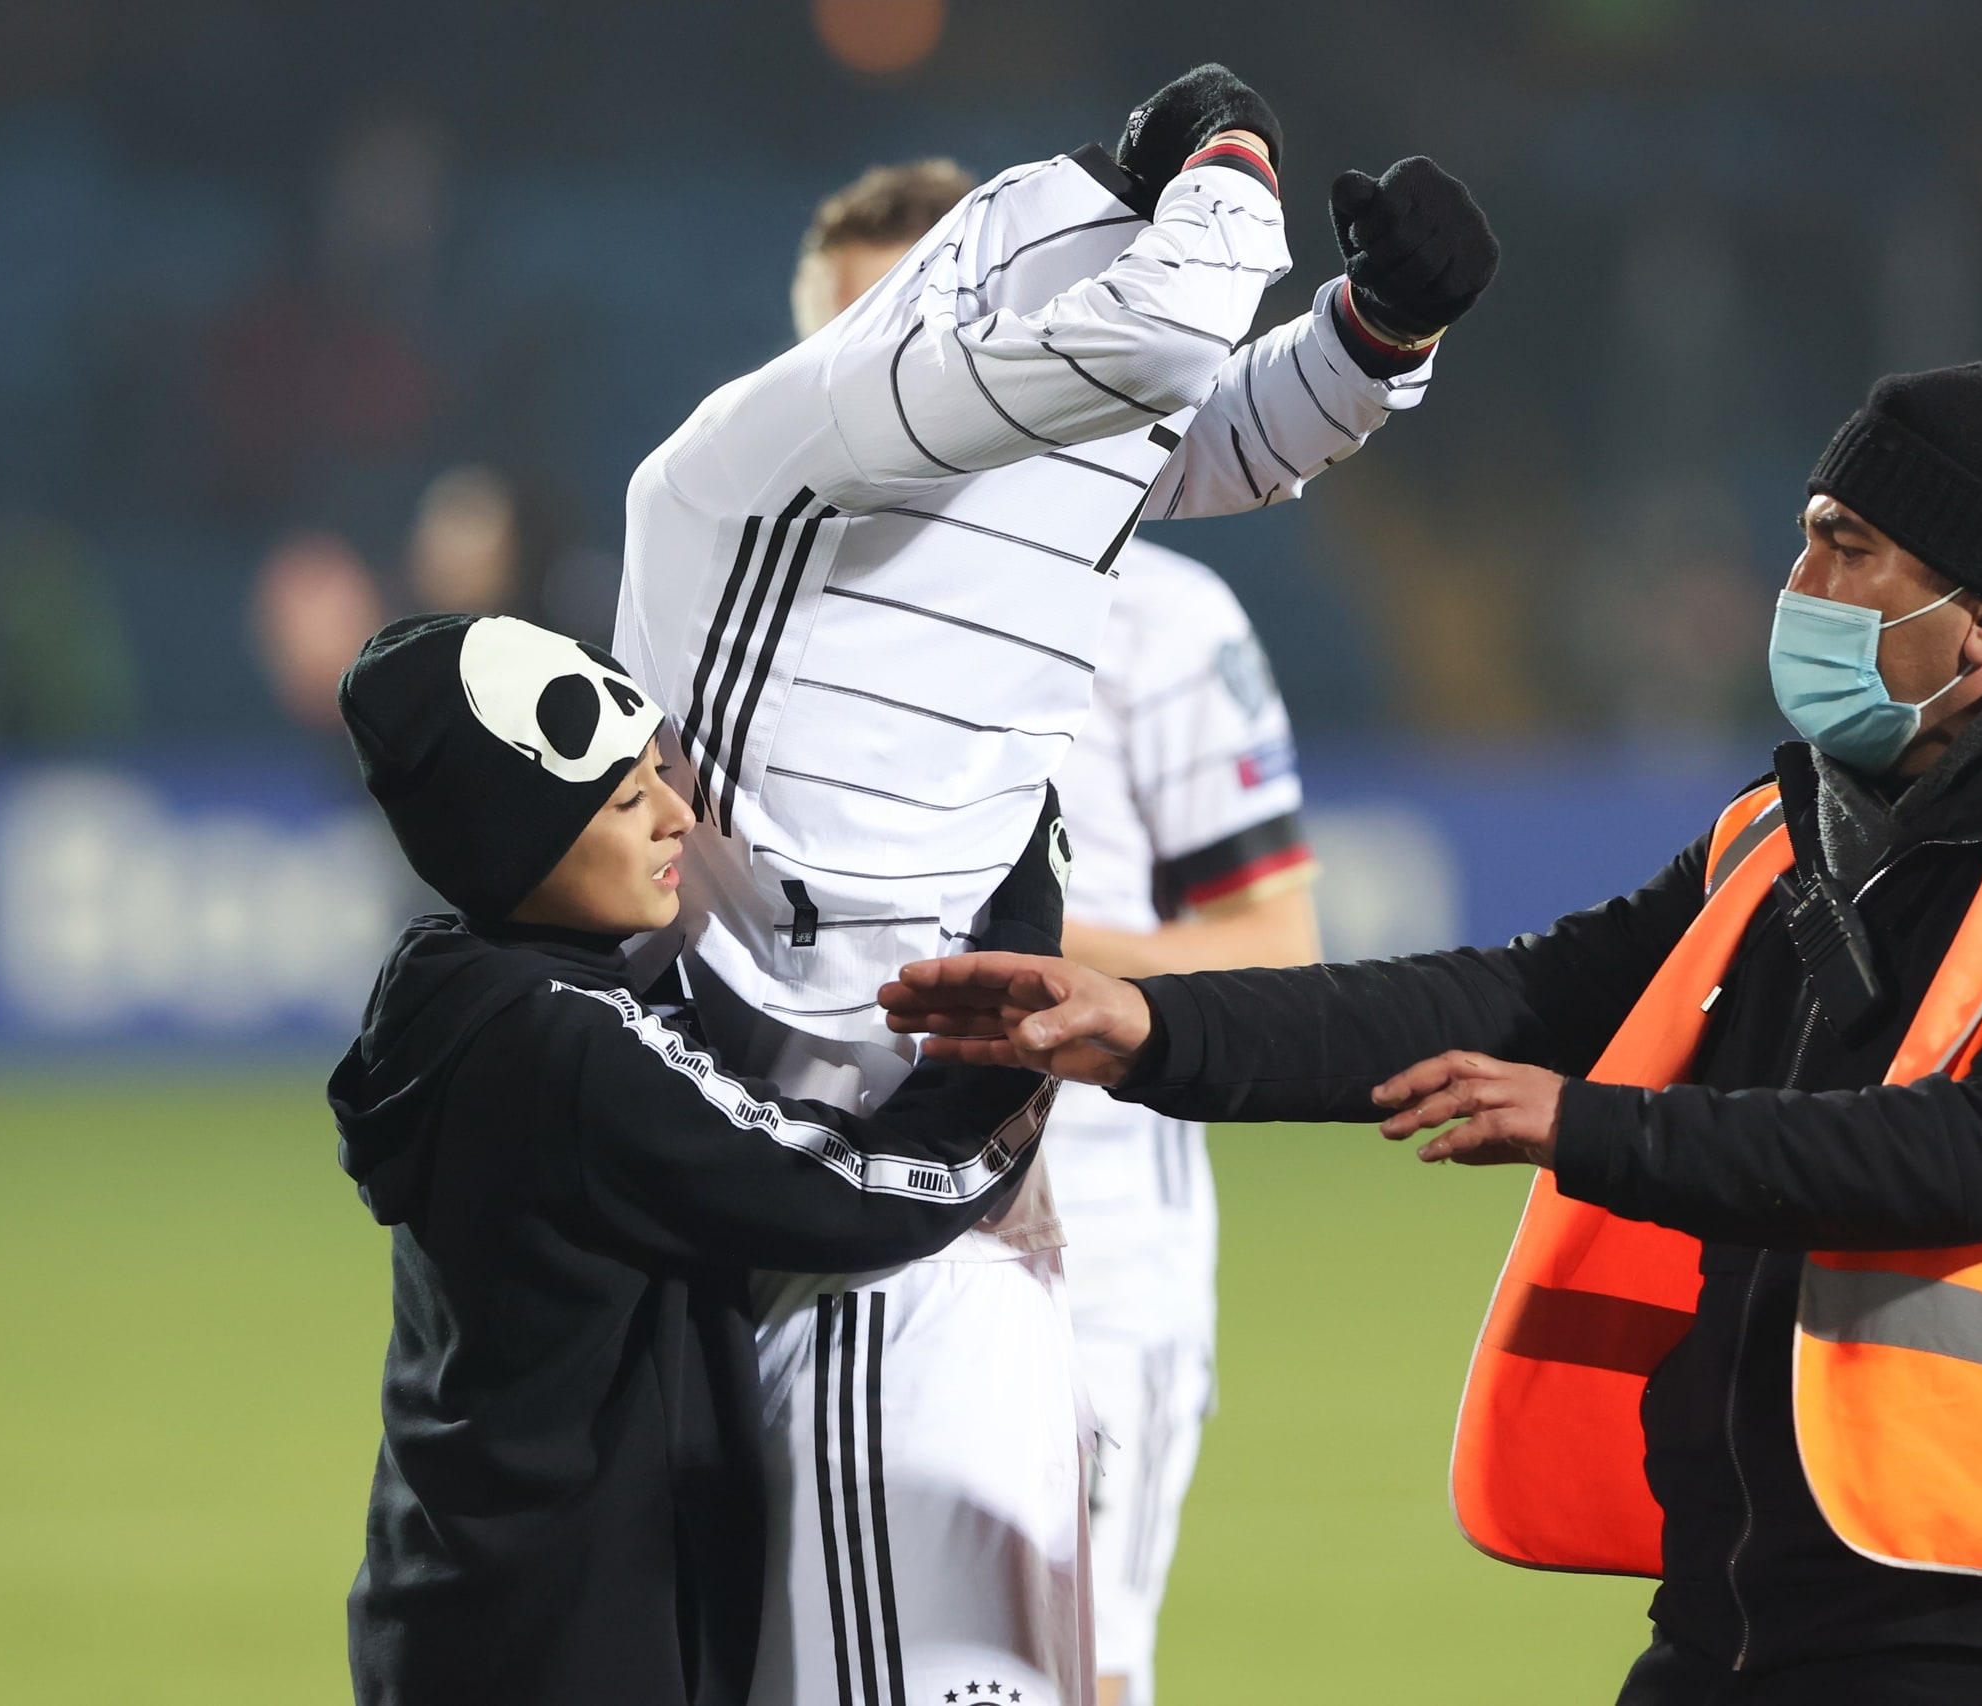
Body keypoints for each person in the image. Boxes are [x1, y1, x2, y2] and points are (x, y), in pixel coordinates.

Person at [884, 361, 1982, 1706]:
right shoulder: (1789, 829)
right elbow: (1508, 998)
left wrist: (1590, 1125)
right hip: (1742, 1594)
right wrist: (1145, 1027)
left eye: (1843, 546)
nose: (1796, 584)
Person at [616, 64, 1491, 1706]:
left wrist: (1376, 336)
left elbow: (1199, 423)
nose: (1002, 382)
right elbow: (1153, 357)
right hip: (845, 1223)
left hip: (1043, 1223)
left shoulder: (1088, 552)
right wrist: (1223, 166)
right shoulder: (758, 467)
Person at [790, 159, 1325, 1706]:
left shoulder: (1164, 621)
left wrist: (1016, 943)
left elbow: (1275, 949)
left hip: (1093, 1264)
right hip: (827, 1238)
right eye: (850, 344)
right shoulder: (769, 604)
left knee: (1056, 1680)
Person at [329, 612, 1059, 1706]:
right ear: (515, 838)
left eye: (659, 773)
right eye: (627, 799)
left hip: (463, 1606)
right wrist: (1025, 991)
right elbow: (863, 1195)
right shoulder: (562, 1044)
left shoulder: (454, 984)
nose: (681, 812)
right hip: (561, 1644)